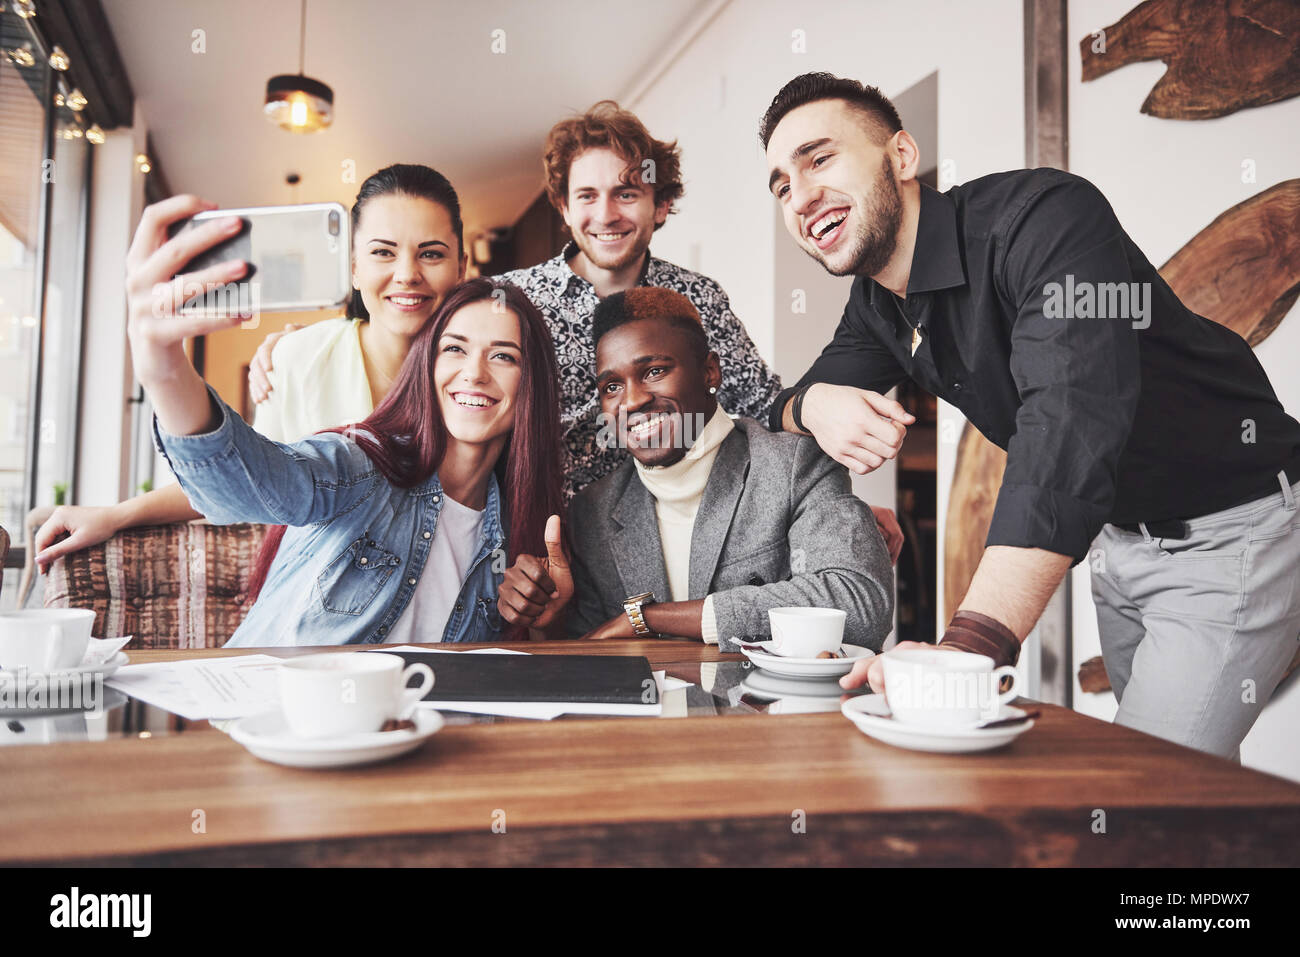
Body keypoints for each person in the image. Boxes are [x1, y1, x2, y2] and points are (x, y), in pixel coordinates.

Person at [760, 72, 1300, 758]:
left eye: (819, 158)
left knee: (1149, 790)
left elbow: (1069, 420)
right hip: (1119, 541)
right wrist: (812, 404)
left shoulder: (1047, 218)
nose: (801, 195)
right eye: (780, 184)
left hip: (1234, 527)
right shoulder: (877, 305)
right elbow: (778, 409)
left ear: (900, 156)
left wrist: (968, 649)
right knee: (1171, 780)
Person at [246, 102, 904, 553]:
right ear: (562, 207)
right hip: (531, 541)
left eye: (627, 192)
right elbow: (428, 355)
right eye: (586, 196)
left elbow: (761, 408)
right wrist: (301, 343)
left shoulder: (698, 298)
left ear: (660, 203)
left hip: (673, 539)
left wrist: (834, 513)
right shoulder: (512, 296)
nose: (607, 213)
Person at [125, 195, 570, 646]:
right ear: (426, 367)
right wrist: (162, 367)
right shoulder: (361, 465)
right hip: (279, 709)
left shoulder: (516, 534)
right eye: (454, 348)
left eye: (502, 356)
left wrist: (544, 620)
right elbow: (245, 483)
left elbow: (507, 683)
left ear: (530, 383)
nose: (474, 372)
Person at [34, 163, 467, 572]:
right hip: (322, 605)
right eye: (383, 253)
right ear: (353, 268)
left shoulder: (487, 374)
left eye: (431, 254)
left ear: (461, 268)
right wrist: (117, 514)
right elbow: (250, 479)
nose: (407, 273)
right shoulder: (297, 358)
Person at [502, 287, 893, 648]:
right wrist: (544, 620)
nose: (633, 400)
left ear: (710, 372)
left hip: (768, 718)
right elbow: (590, 650)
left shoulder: (796, 464)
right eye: (612, 386)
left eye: (654, 371)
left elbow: (860, 605)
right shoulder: (595, 511)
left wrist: (650, 618)